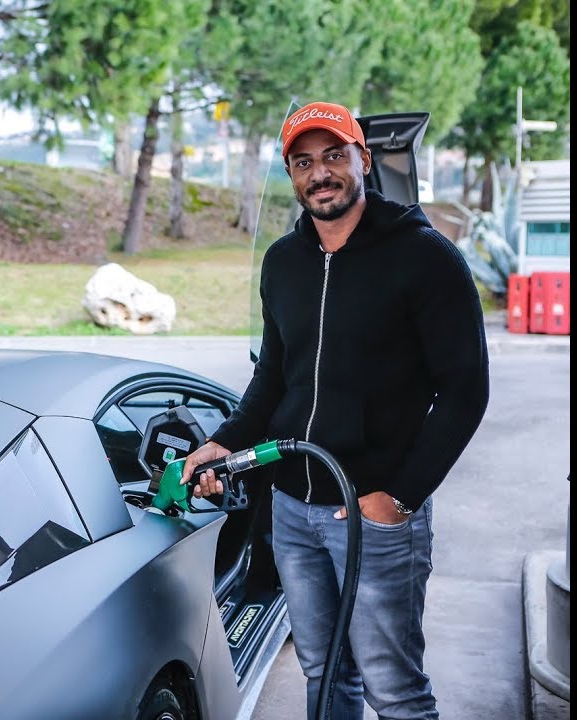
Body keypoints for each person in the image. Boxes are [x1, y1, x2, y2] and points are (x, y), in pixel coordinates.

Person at [180, 101, 489, 720]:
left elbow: (464, 391)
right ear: (292, 176)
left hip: (374, 513)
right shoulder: (282, 263)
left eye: (333, 156)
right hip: (293, 510)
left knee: (393, 687)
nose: (319, 173)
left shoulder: (425, 258)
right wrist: (225, 439)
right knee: (323, 674)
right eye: (303, 162)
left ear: (363, 160)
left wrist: (398, 496)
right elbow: (274, 376)